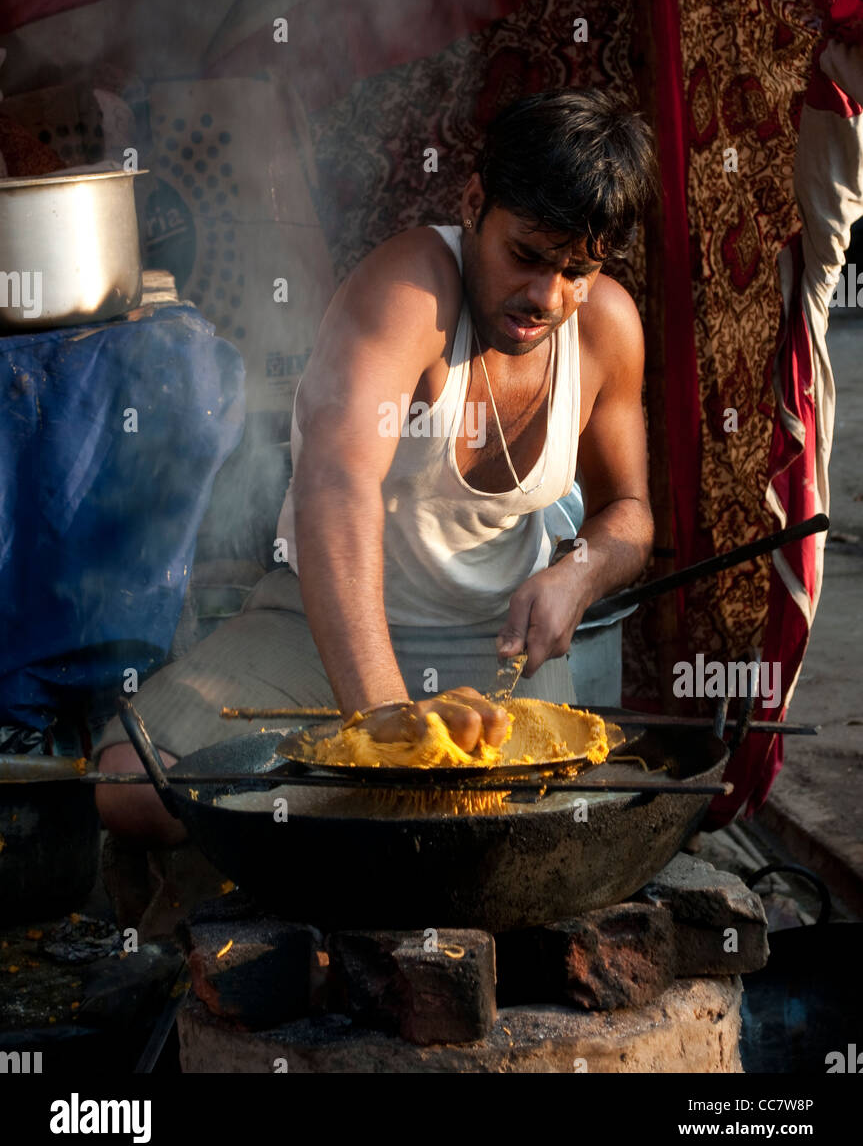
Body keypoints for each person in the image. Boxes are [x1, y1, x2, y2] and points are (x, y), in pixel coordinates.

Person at [95, 87, 656, 843]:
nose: (545, 298)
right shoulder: (410, 288)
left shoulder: (605, 328)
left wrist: (575, 575)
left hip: (494, 654)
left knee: (525, 832)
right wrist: (387, 717)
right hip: (320, 626)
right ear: (473, 202)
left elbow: (627, 513)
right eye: (524, 256)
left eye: (576, 270)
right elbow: (336, 484)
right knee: (135, 786)